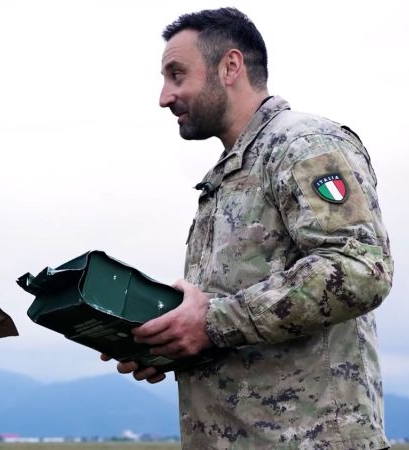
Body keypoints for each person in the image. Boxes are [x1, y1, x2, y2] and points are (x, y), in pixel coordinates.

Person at [102, 8, 393, 449]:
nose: (164, 96)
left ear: (230, 66)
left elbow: (359, 268)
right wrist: (171, 339)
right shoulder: (228, 175)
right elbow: (225, 313)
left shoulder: (303, 145)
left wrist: (211, 323)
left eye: (177, 75)